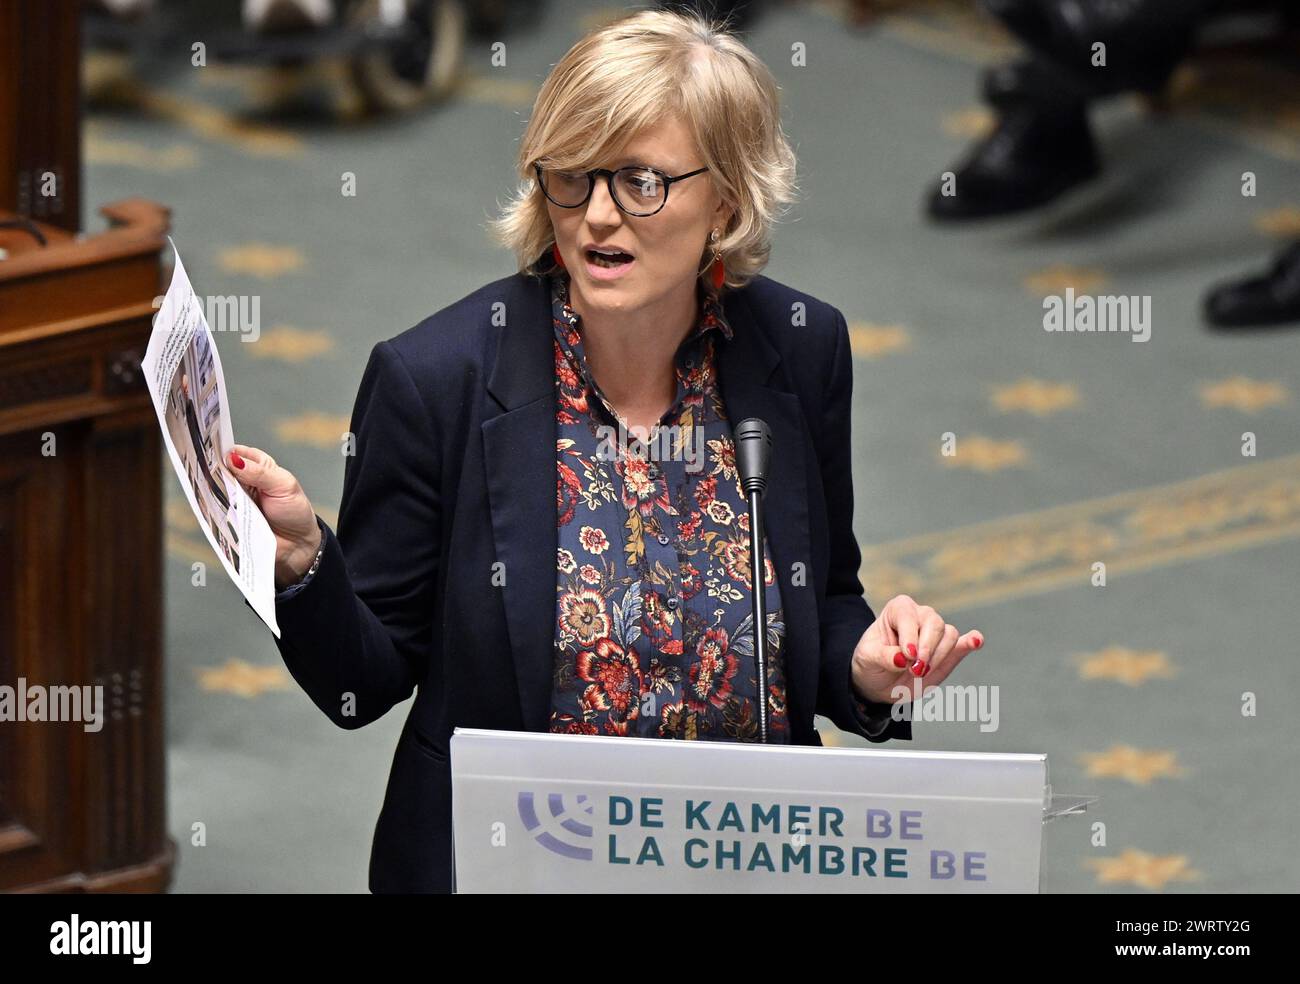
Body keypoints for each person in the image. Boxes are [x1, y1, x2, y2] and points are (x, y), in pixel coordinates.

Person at [227, 9, 984, 893]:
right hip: (515, 867)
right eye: (572, 178)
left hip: (740, 861)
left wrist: (868, 666)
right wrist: (302, 564)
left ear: (728, 200)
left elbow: (820, 602)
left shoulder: (799, 349)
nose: (594, 217)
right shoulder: (436, 378)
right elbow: (364, 680)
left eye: (640, 182)